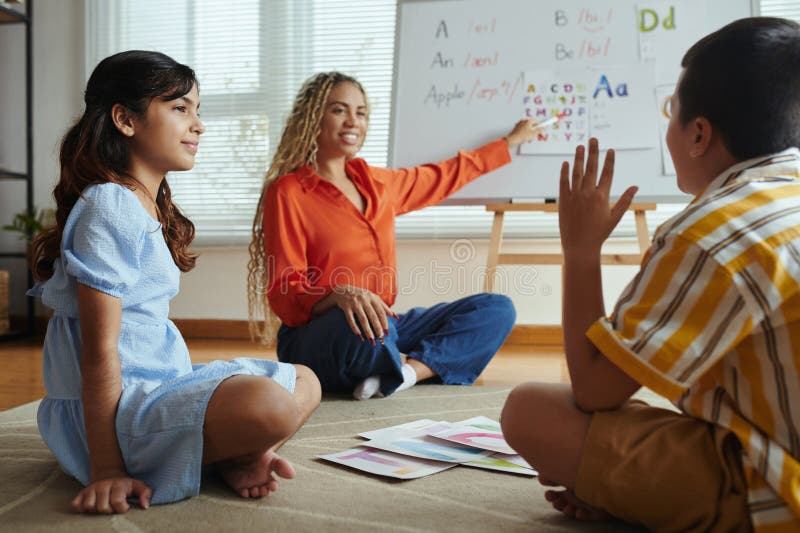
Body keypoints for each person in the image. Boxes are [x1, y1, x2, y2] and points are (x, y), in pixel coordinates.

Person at [500, 17, 800, 531]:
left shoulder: (711, 229)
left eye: (671, 111)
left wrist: (581, 251)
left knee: (530, 409)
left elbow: (595, 389)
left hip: (778, 489)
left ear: (699, 134)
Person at [28, 50, 321, 514]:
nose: (199, 124)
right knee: (271, 404)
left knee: (305, 381)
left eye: (197, 110)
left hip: (162, 388)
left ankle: (228, 454)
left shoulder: (143, 203)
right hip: (122, 414)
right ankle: (214, 453)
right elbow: (98, 351)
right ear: (125, 119)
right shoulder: (108, 205)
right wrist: (106, 469)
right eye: (181, 108)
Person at [247, 72, 537, 400]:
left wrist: (508, 144)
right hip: (324, 333)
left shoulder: (376, 182)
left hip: (384, 324)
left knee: (496, 309)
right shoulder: (289, 192)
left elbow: (444, 175)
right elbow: (284, 288)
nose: (352, 121)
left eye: (361, 113)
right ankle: (397, 364)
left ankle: (404, 374)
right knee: (358, 331)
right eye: (339, 110)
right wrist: (337, 295)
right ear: (313, 116)